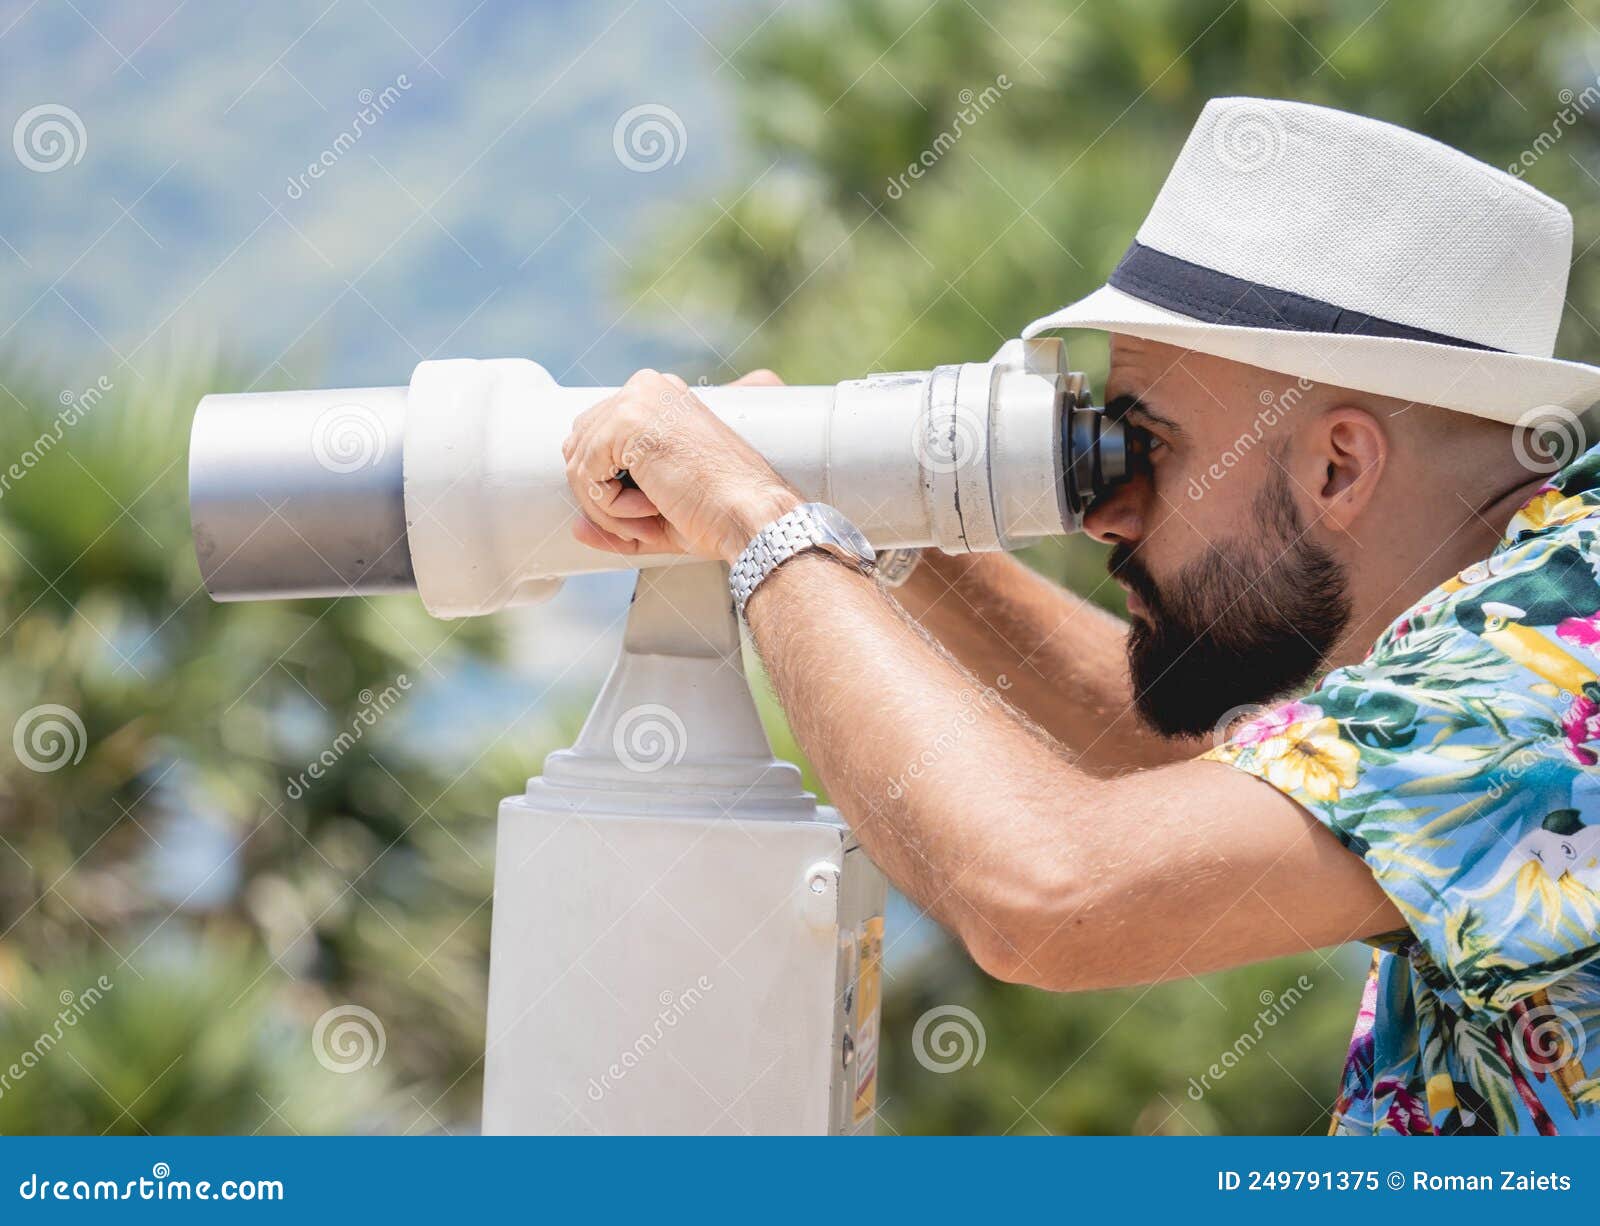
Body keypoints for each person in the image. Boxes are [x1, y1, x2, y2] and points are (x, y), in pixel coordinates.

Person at [560, 98, 1600, 1135]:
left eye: (1149, 442)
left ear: (1337, 464)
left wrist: (760, 527)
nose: (1104, 509)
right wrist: (861, 520)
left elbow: (1050, 893)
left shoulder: (1533, 678)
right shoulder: (1534, 618)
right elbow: (1177, 764)